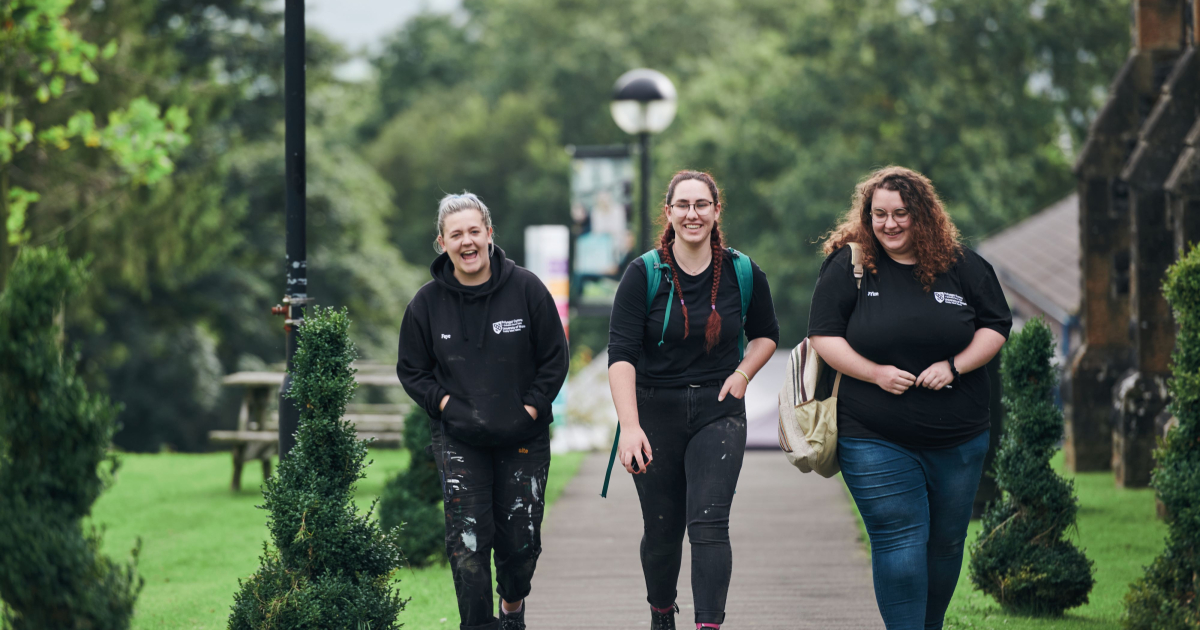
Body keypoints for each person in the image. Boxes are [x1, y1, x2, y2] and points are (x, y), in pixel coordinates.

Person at [807, 166, 1011, 630]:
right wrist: (874, 373)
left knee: (944, 543)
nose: (890, 224)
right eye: (879, 214)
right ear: (867, 216)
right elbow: (823, 335)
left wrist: (955, 365)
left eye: (901, 213)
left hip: (958, 437)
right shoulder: (850, 265)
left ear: (924, 215)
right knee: (899, 537)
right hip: (874, 433)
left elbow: (996, 326)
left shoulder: (964, 266)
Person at [607, 171, 780, 630]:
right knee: (663, 533)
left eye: (701, 204)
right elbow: (621, 355)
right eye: (682, 205)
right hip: (653, 411)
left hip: (718, 411)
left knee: (708, 524)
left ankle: (708, 626)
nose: (692, 214)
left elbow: (766, 336)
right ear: (668, 213)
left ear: (716, 211)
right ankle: (662, 612)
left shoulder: (743, 271)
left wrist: (743, 374)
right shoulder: (643, 274)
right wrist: (630, 426)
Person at [396, 192, 568, 630]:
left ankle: (512, 607)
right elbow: (412, 370)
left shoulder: (527, 289)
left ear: (490, 234)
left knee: (520, 544)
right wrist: (447, 405)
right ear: (442, 243)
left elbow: (554, 357)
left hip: (522, 440)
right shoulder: (425, 304)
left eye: (475, 231)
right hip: (459, 440)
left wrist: (530, 408)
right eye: (457, 235)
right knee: (468, 546)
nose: (467, 242)